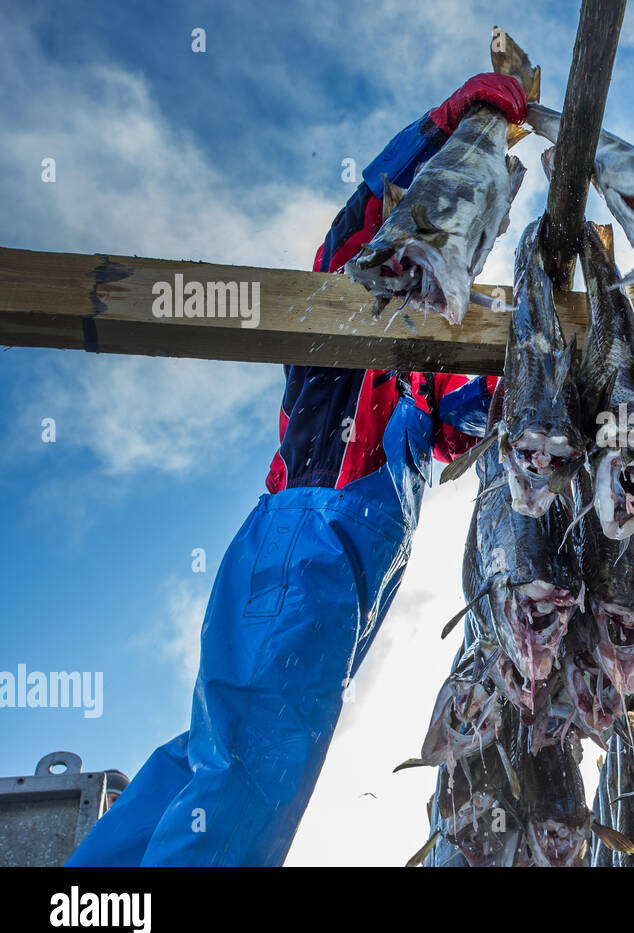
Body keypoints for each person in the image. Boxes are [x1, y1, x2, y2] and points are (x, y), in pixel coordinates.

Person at [66, 73, 528, 866]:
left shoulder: (429, 380)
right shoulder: (349, 307)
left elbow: (466, 421)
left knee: (215, 754)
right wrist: (440, 129)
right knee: (256, 762)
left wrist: (534, 370)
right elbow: (354, 228)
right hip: (302, 544)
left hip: (339, 580)